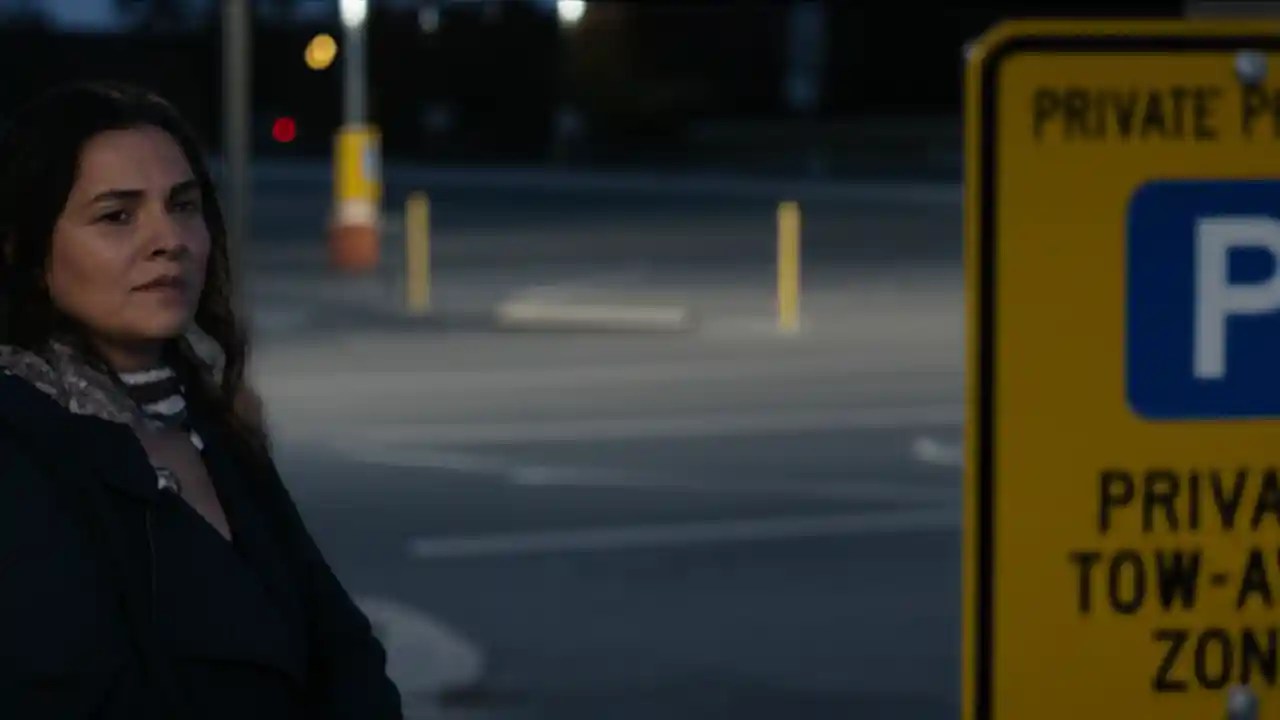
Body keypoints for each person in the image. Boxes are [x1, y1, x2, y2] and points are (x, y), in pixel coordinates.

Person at [0, 82, 402, 718]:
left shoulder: (209, 420)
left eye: (183, 206)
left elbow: (343, 649)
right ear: (25, 249)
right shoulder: (21, 443)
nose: (170, 239)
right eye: (117, 215)